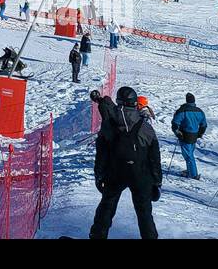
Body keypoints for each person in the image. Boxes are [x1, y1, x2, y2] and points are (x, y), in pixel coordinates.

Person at [88, 86, 162, 240]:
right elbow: (154, 157)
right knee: (144, 212)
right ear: (135, 103)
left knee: (107, 206)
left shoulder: (109, 125)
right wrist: (157, 181)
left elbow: (101, 154)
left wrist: (99, 175)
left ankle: (97, 235)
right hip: (140, 173)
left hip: (115, 173)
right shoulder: (145, 127)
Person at [170, 93, 207, 179]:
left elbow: (175, 123)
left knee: (188, 156)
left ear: (186, 100)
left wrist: (178, 133)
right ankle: (190, 170)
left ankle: (193, 175)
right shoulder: (199, 111)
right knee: (190, 154)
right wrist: (200, 134)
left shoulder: (183, 110)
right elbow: (204, 125)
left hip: (185, 135)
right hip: (194, 136)